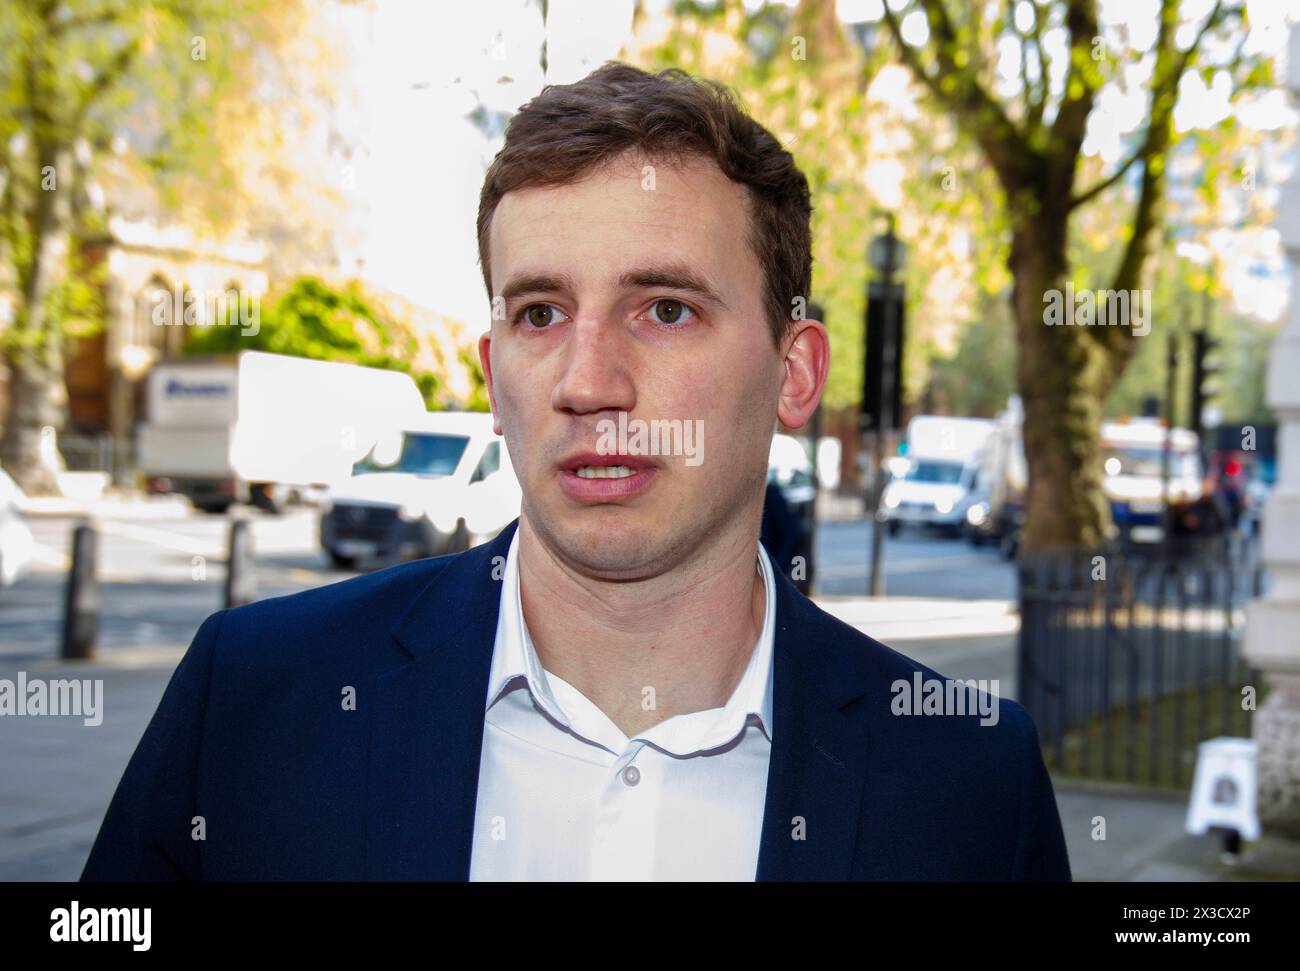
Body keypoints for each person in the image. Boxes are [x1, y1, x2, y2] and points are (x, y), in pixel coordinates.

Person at [82, 63, 1070, 882]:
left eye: (665, 308)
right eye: (541, 314)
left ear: (794, 371)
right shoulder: (255, 700)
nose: (587, 381)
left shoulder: (967, 783)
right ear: (492, 373)